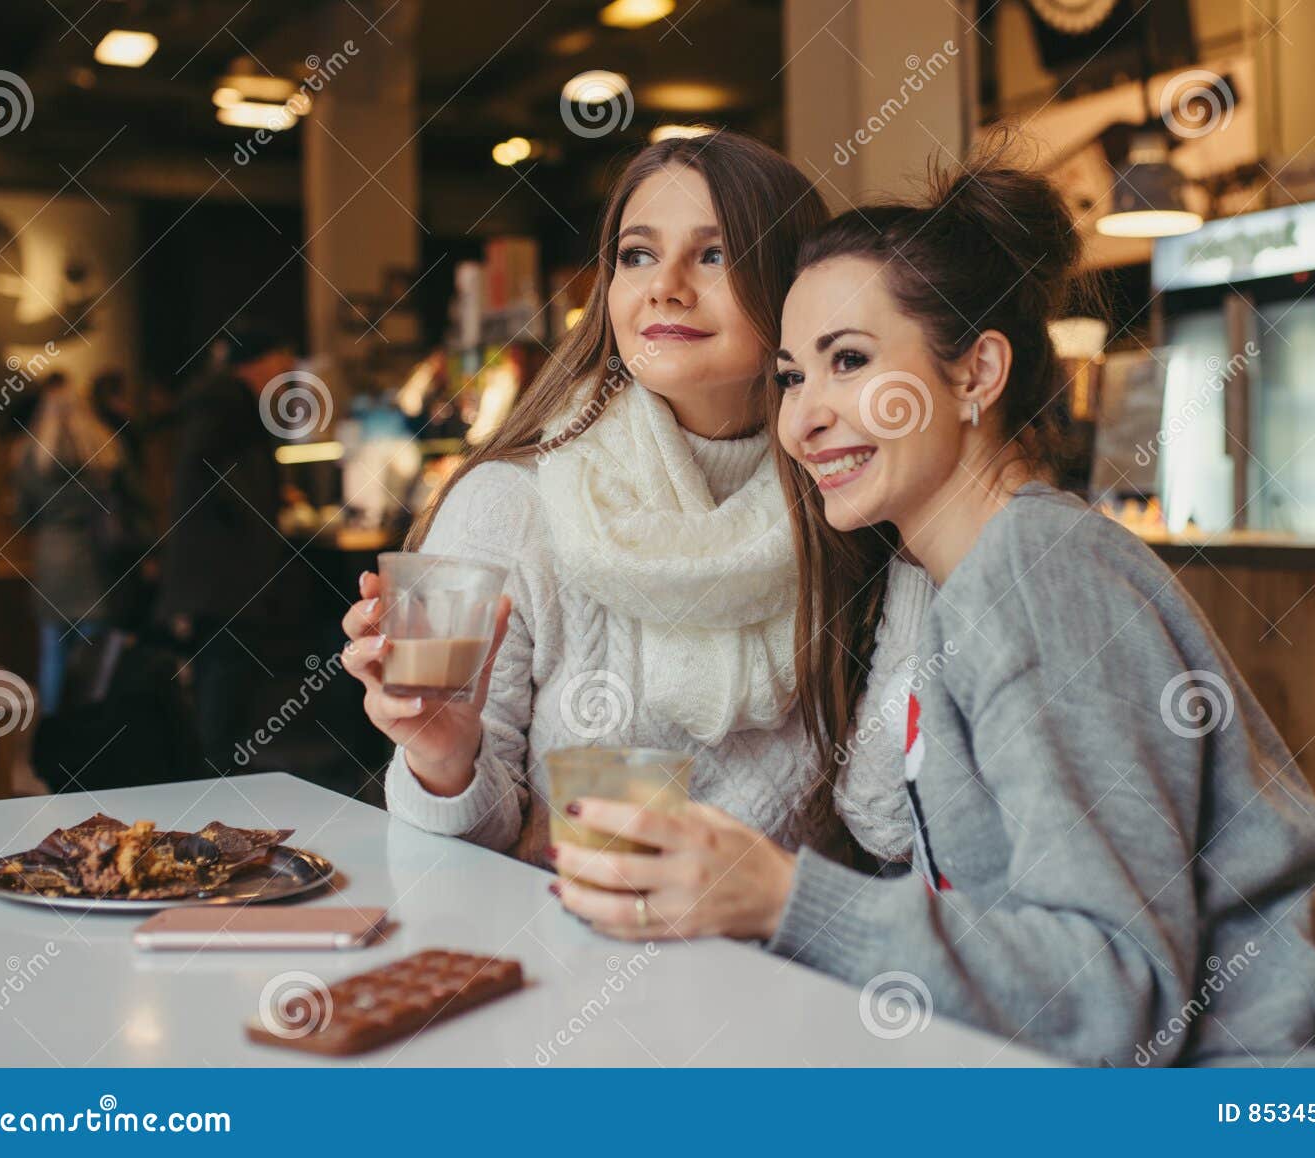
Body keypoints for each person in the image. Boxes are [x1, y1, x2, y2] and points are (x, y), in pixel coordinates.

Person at [549, 150, 1315, 1067]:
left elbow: (1114, 994)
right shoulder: (955, 583)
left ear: (976, 374)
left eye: (848, 362)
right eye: (791, 376)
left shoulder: (1042, 575)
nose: (803, 420)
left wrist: (783, 896)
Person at [340, 130, 933, 870]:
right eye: (637, 254)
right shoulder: (504, 504)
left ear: (797, 290)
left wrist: (919, 548)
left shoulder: (851, 508)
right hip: (566, 966)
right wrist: (444, 756)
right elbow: (456, 863)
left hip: (788, 972)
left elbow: (890, 831)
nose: (665, 286)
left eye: (714, 255)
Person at [156, 322, 293, 771]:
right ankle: (219, 782)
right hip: (224, 582)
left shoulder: (218, 402)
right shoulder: (225, 403)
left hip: (219, 581)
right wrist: (254, 512)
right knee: (224, 685)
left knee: (223, 682)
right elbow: (214, 475)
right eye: (284, 362)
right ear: (265, 362)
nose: (289, 373)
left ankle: (221, 777)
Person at [12, 373, 133, 714]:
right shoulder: (104, 449)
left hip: (52, 557)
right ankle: (91, 734)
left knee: (53, 652)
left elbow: (23, 516)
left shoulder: (30, 455)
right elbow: (122, 504)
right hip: (95, 558)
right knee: (94, 655)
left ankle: (55, 734)